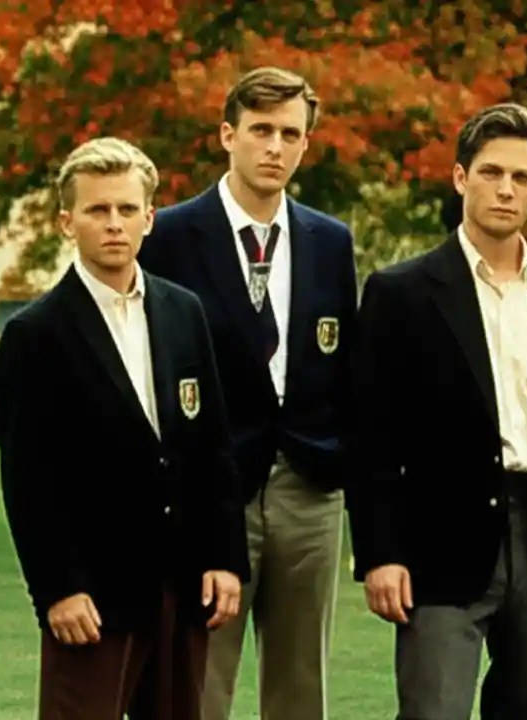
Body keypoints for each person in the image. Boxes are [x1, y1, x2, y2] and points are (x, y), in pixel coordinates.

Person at [349, 102, 527, 720]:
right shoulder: (401, 293)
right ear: (460, 178)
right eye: (490, 172)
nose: (505, 189)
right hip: (439, 535)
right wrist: (380, 552)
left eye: (521, 177)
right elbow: (372, 435)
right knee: (435, 709)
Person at [0, 137, 248, 719]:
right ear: (68, 222)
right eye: (97, 210)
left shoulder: (183, 311)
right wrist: (57, 589)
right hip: (94, 593)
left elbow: (212, 449)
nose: (114, 224)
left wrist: (225, 556)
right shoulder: (38, 334)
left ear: (150, 218)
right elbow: (29, 480)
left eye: (127, 209)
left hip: (184, 586)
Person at [137, 66, 357, 720]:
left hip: (309, 488)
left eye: (291, 134)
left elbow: (341, 365)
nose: (275, 147)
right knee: (199, 682)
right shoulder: (170, 236)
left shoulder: (329, 240)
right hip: (211, 490)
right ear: (226, 134)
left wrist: (336, 454)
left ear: (305, 145)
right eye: (261, 130)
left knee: (299, 688)